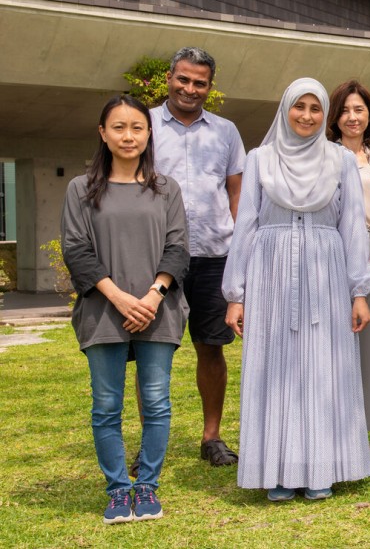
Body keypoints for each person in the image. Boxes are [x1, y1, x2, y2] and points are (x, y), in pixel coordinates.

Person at [222, 78, 370, 501]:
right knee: (276, 369)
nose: (307, 115)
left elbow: (352, 227)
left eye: (315, 108)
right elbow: (246, 224)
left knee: (323, 366)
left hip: (325, 269)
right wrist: (236, 294)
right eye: (299, 106)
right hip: (270, 271)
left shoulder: (340, 159)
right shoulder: (260, 159)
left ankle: (323, 466)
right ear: (285, 109)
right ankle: (279, 470)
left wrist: (358, 290)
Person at [62, 95, 189, 524]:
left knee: (156, 402)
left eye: (137, 126)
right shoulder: (80, 189)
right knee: (106, 405)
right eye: (118, 127)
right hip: (102, 311)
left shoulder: (166, 188)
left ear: (148, 133)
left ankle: (147, 485)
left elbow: (178, 248)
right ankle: (118, 489)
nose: (128, 135)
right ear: (103, 133)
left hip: (159, 309)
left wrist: (153, 296)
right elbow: (76, 250)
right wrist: (118, 297)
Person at [151, 47, 245, 467]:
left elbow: (237, 193)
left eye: (200, 82)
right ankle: (152, 443)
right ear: (169, 77)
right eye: (183, 79)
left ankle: (212, 437)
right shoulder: (146, 125)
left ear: (210, 86)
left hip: (214, 256)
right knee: (153, 351)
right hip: (156, 259)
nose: (190, 89)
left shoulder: (226, 132)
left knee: (211, 347)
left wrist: (243, 250)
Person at [329, 80, 370, 459]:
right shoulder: (322, 156)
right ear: (334, 117)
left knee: (368, 350)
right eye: (345, 110)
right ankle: (333, 428)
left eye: (359, 110)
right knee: (333, 348)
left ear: (369, 114)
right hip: (330, 265)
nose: (352, 117)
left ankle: (359, 434)